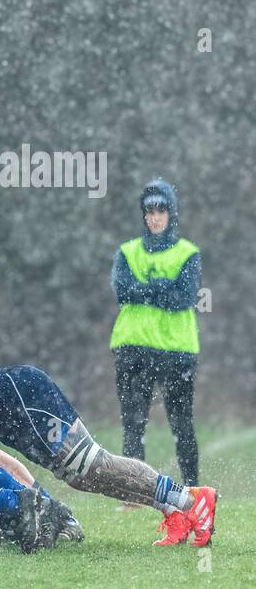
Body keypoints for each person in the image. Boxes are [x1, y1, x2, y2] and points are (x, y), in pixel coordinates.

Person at [0, 353, 217, 546]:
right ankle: (172, 509)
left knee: (94, 464)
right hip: (7, 416)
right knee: (81, 478)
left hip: (18, 394)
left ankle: (191, 498)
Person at [111, 178, 202, 490]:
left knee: (182, 424)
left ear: (171, 212)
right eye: (149, 210)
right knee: (133, 425)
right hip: (133, 348)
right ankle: (134, 493)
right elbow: (122, 292)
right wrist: (163, 285)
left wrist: (145, 290)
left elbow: (184, 298)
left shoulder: (188, 253)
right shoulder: (127, 251)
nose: (155, 216)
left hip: (176, 351)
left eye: (161, 209)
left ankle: (192, 487)